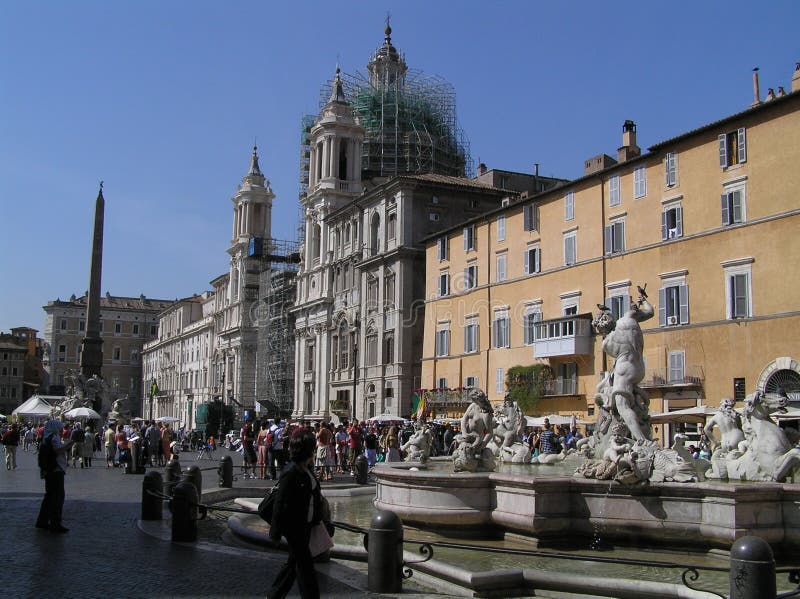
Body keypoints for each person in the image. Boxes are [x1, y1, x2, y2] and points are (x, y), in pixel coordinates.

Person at [268, 428, 322, 599]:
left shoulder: (305, 469)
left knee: (293, 566)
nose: (314, 450)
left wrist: (318, 520)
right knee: (306, 570)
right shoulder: (291, 472)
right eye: (312, 447)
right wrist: (275, 533)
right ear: (307, 449)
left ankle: (273, 596)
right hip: (295, 527)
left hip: (305, 525)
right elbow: (280, 503)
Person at [36, 419, 74, 533]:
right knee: (58, 497)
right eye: (60, 427)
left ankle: (42, 521)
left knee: (49, 497)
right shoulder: (54, 437)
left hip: (49, 470)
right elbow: (58, 450)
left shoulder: (46, 436)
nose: (62, 429)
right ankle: (55, 523)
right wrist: (70, 444)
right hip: (56, 469)